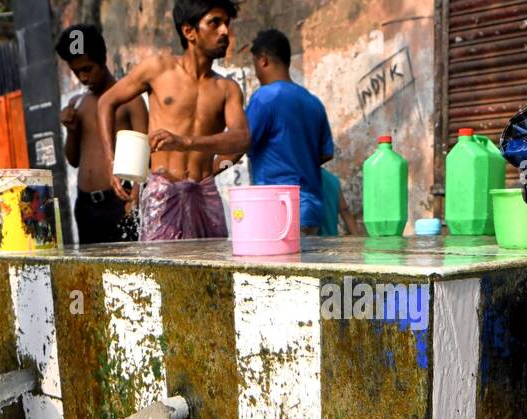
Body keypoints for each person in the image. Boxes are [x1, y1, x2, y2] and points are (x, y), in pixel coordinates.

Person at [97, 0, 250, 241]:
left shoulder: (227, 89)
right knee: (162, 273)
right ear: (189, 31)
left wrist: (190, 146)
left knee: (213, 272)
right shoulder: (158, 69)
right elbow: (107, 102)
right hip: (162, 191)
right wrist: (110, 161)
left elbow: (241, 139)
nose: (224, 31)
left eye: (226, 24)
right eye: (215, 23)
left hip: (204, 192)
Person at [56, 24, 147, 245]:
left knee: (127, 270)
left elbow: (146, 148)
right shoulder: (77, 104)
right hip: (85, 204)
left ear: (103, 59)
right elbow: (73, 160)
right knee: (93, 273)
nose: (83, 77)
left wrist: (136, 193)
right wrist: (71, 130)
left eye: (87, 68)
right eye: (77, 72)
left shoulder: (128, 99)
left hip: (120, 199)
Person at [244, 29, 335, 235]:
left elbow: (242, 141)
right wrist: (299, 160)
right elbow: (326, 153)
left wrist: (209, 169)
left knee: (275, 267)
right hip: (310, 209)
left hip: (278, 209)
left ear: (263, 60)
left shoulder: (265, 97)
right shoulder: (313, 102)